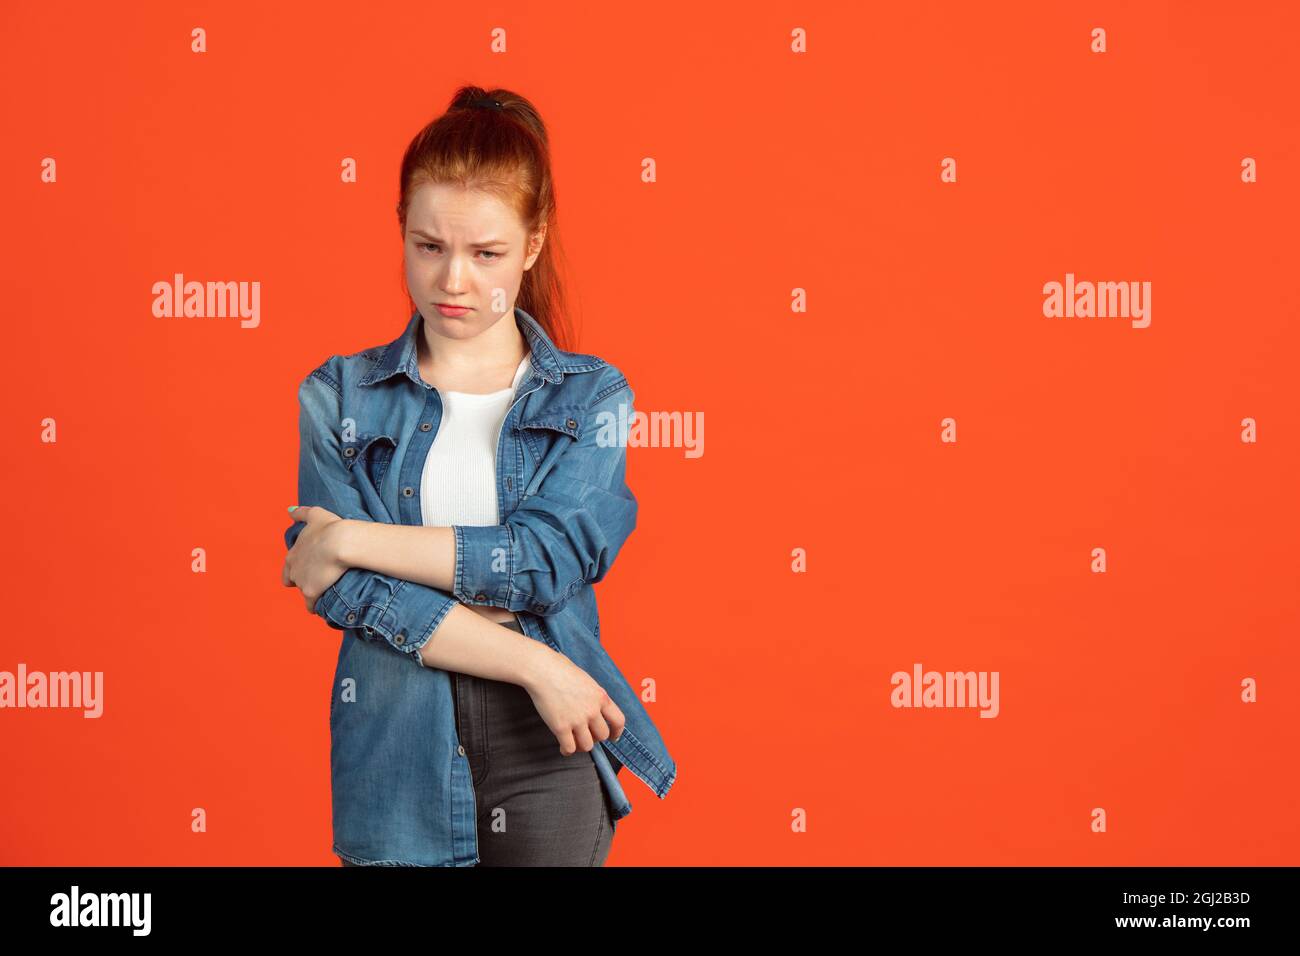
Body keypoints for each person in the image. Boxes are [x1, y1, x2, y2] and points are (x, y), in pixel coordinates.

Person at [282, 86, 677, 867]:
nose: (452, 280)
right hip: (399, 745)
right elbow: (349, 595)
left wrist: (353, 538)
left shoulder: (591, 396)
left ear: (532, 246)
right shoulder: (339, 395)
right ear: (401, 230)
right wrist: (535, 664)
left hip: (546, 744)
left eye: (485, 254)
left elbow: (542, 563)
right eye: (429, 246)